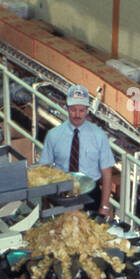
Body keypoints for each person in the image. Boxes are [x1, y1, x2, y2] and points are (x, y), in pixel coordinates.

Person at [39, 85, 115, 216]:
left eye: (81, 110)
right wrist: (45, 205)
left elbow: (107, 174)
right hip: (62, 192)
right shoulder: (54, 135)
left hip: (90, 194)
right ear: (67, 108)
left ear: (87, 110)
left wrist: (104, 206)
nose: (77, 114)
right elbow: (45, 170)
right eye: (73, 110)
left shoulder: (99, 136)